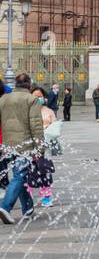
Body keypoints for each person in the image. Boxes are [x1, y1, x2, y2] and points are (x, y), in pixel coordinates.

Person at [0, 74, 46, 224]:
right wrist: (40, 148)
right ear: (28, 84)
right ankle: (5, 206)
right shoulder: (31, 100)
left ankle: (28, 208)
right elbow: (36, 126)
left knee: (21, 175)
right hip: (25, 145)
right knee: (20, 176)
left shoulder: (3, 99)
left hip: (8, 144)